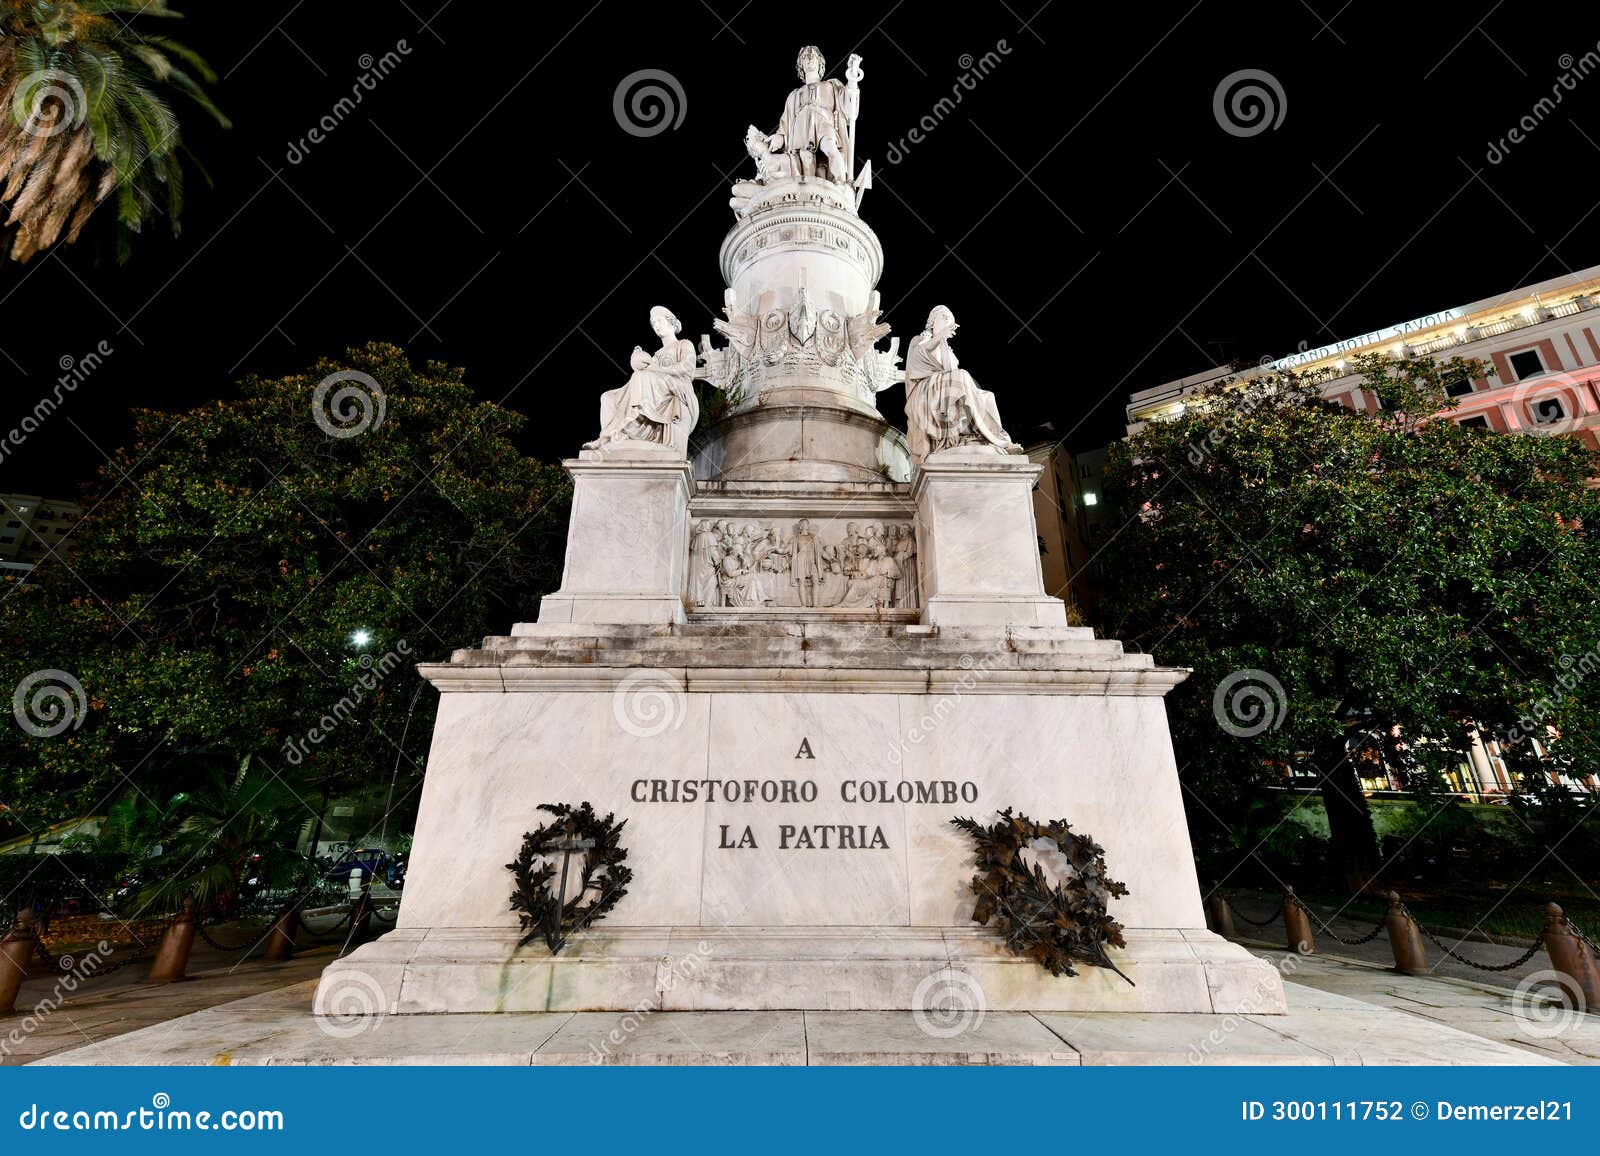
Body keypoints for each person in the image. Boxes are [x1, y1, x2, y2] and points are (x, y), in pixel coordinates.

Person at [904, 305, 1021, 462]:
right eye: (944, 317)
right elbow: (917, 362)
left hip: (945, 385)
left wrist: (943, 342)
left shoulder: (946, 347)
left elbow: (949, 371)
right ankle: (968, 435)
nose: (947, 322)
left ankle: (995, 440)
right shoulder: (920, 340)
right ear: (933, 321)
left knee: (988, 396)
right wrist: (938, 338)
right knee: (963, 376)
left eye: (950, 321)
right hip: (925, 389)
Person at [585, 306, 700, 452]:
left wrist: (652, 367)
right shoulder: (656, 355)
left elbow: (687, 369)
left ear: (671, 322)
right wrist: (639, 359)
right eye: (653, 323)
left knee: (641, 376)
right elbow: (646, 372)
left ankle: (626, 426)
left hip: (676, 387)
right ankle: (606, 438)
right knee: (608, 398)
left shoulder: (684, 344)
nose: (656, 326)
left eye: (659, 321)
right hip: (655, 389)